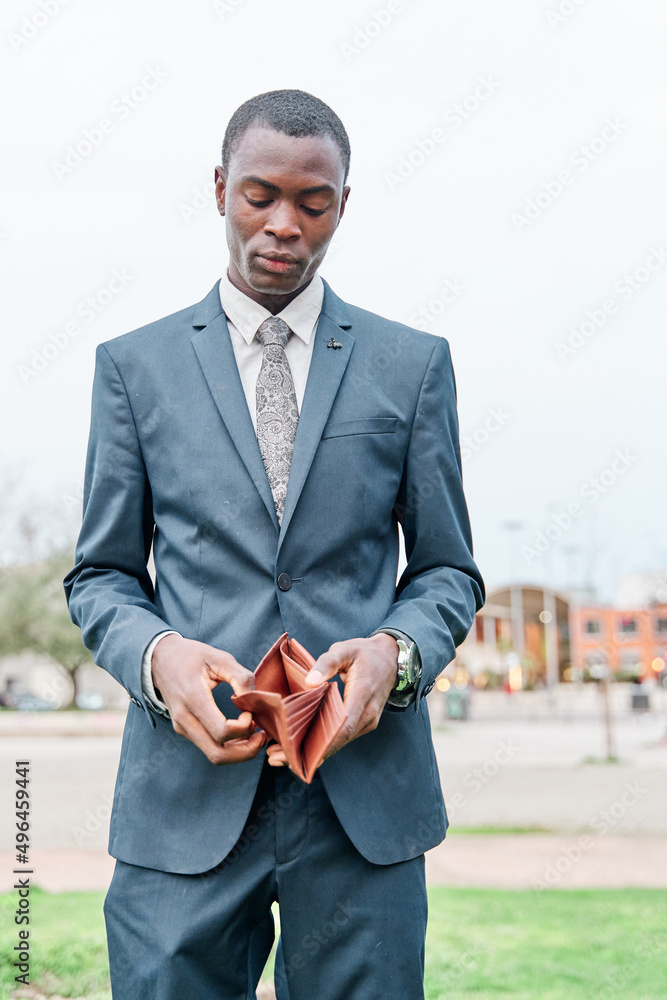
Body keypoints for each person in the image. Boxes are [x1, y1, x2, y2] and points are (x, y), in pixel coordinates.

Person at [64, 88, 485, 1000]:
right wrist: (160, 657)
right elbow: (99, 576)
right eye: (260, 196)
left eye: (313, 202)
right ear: (219, 188)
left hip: (361, 799)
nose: (284, 225)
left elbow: (448, 568)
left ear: (343, 203)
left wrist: (396, 653)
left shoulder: (411, 365)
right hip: (184, 800)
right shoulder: (132, 369)